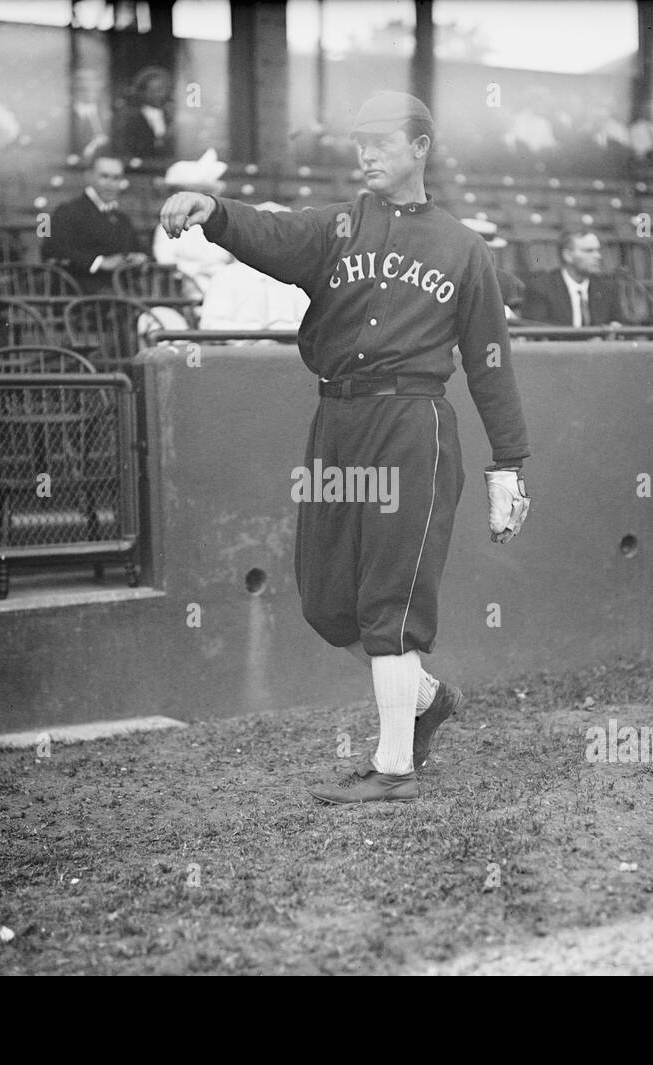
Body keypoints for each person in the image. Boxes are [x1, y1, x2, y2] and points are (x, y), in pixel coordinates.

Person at [159, 90, 531, 805]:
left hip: (410, 423)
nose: (366, 155)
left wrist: (507, 464)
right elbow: (271, 235)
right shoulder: (337, 227)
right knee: (328, 601)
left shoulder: (463, 247)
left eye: (381, 143)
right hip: (337, 423)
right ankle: (424, 699)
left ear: (420, 147)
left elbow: (489, 362)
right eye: (359, 143)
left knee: (390, 598)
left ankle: (393, 768)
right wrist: (216, 211)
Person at [42, 155, 150, 292]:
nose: (111, 184)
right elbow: (50, 250)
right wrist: (99, 263)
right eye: (104, 176)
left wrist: (139, 258)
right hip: (79, 294)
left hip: (121, 293)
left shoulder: (123, 219)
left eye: (116, 178)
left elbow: (136, 249)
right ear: (89, 177)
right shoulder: (67, 211)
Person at [199, 202, 311, 332]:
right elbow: (210, 325)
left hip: (291, 350)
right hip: (239, 350)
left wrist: (278, 332)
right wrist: (255, 331)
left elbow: (312, 326)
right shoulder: (226, 276)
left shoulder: (301, 276)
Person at [152, 150, 235, 294]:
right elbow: (165, 261)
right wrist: (196, 271)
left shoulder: (219, 224)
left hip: (225, 281)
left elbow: (230, 257)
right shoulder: (168, 226)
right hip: (189, 286)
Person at [521, 230, 623, 328]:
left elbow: (618, 322)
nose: (598, 256)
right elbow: (538, 332)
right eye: (589, 251)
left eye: (598, 250)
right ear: (568, 256)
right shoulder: (541, 287)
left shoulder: (606, 287)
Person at [123, 66, 173, 159]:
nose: (159, 94)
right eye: (153, 90)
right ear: (142, 92)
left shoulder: (171, 116)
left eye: (161, 89)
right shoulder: (131, 119)